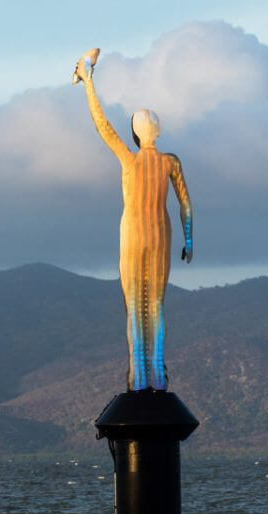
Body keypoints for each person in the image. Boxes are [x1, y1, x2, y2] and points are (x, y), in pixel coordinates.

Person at [75, 51, 193, 392]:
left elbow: (102, 125)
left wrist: (88, 80)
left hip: (134, 234)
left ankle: (138, 377)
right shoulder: (171, 162)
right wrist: (189, 240)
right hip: (161, 235)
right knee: (155, 305)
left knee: (133, 306)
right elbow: (185, 203)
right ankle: (156, 374)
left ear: (137, 133)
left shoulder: (129, 159)